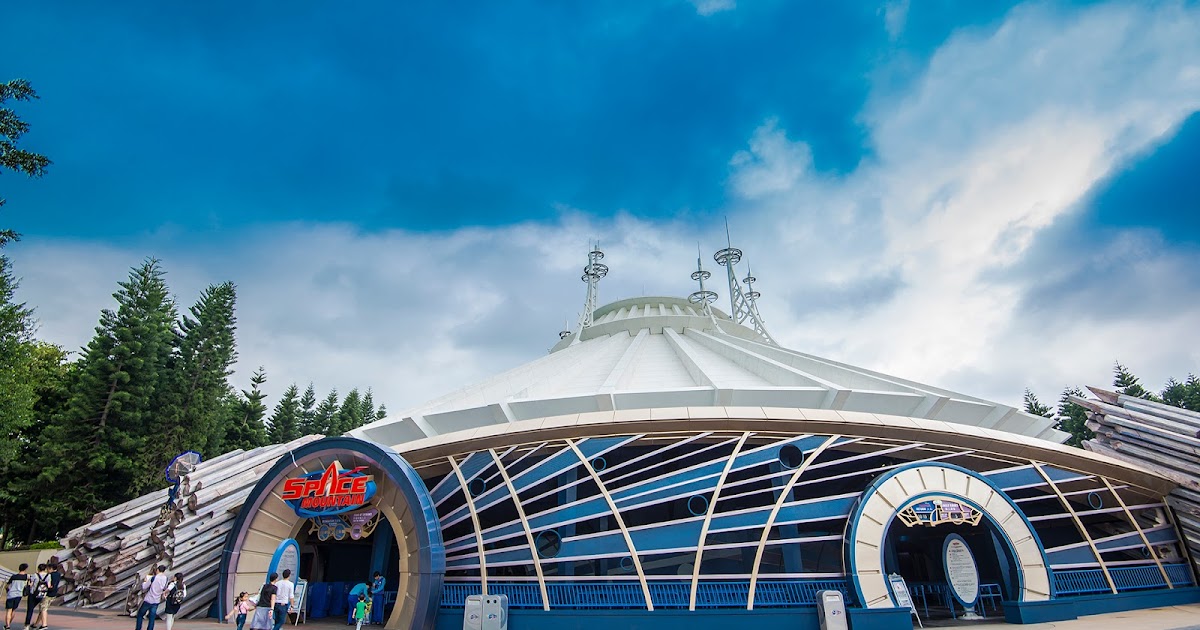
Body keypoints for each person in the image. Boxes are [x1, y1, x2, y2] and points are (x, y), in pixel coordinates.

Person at [134, 564, 169, 630]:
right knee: (152, 617)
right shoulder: (166, 579)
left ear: (157, 570)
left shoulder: (153, 578)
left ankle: (138, 628)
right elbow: (165, 588)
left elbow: (144, 586)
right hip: (156, 600)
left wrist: (145, 581)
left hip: (148, 599)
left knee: (140, 614)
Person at [23, 563, 51, 630]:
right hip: (42, 594)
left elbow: (30, 584)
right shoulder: (48, 575)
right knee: (42, 609)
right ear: (45, 569)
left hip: (33, 594)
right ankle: (38, 624)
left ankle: (27, 625)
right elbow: (49, 585)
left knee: (30, 610)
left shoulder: (35, 575)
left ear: (38, 569)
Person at [3, 563, 28, 630]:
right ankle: (9, 623)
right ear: (25, 569)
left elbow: (7, 586)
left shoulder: (14, 577)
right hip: (19, 595)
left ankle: (7, 626)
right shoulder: (26, 577)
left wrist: (8, 590)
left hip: (11, 595)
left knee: (9, 610)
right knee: (13, 610)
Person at [36, 562, 60, 630]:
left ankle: (44, 625)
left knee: (43, 609)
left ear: (51, 568)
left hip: (47, 594)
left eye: (48, 569)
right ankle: (36, 624)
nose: (47, 570)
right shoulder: (58, 574)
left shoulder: (50, 575)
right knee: (43, 609)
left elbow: (48, 584)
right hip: (54, 594)